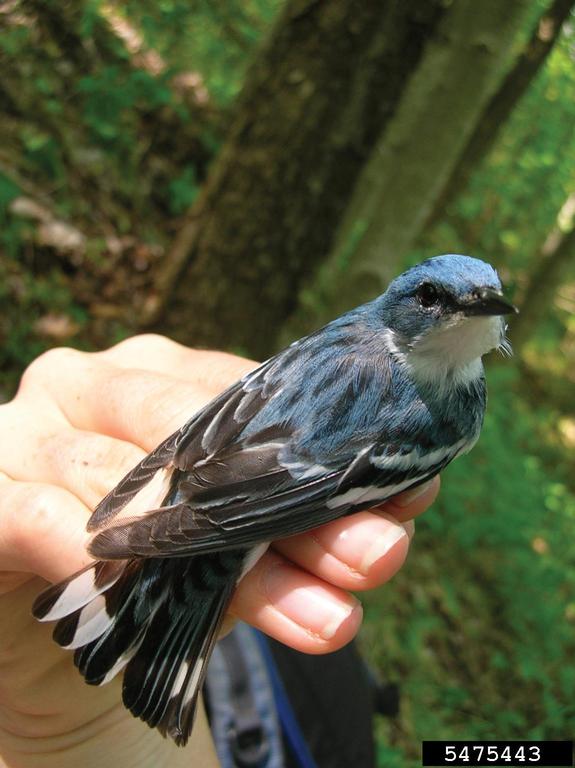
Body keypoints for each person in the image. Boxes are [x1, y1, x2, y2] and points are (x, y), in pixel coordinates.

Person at [0, 335, 439, 768]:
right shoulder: (429, 412)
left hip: (230, 483)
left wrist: (73, 738)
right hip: (241, 500)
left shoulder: (327, 703)